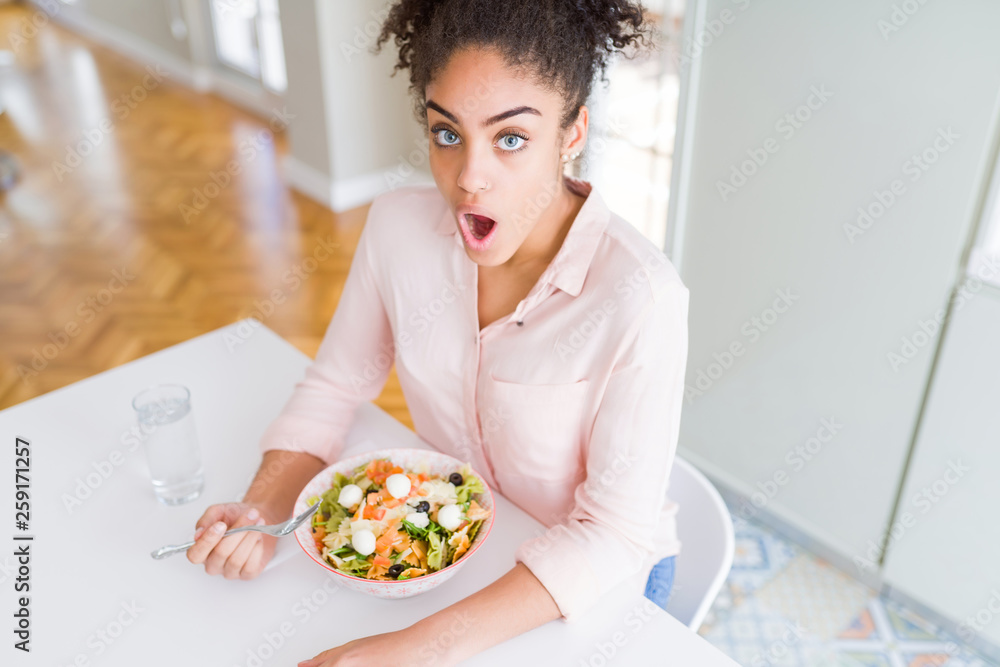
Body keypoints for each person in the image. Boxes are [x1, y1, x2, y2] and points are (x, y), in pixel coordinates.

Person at [186, 1, 689, 664]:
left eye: (511, 138)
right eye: (447, 133)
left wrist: (403, 650)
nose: (469, 180)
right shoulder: (397, 230)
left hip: (591, 583)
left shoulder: (640, 298)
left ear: (573, 133)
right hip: (455, 555)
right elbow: (336, 383)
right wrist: (262, 508)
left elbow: (613, 534)